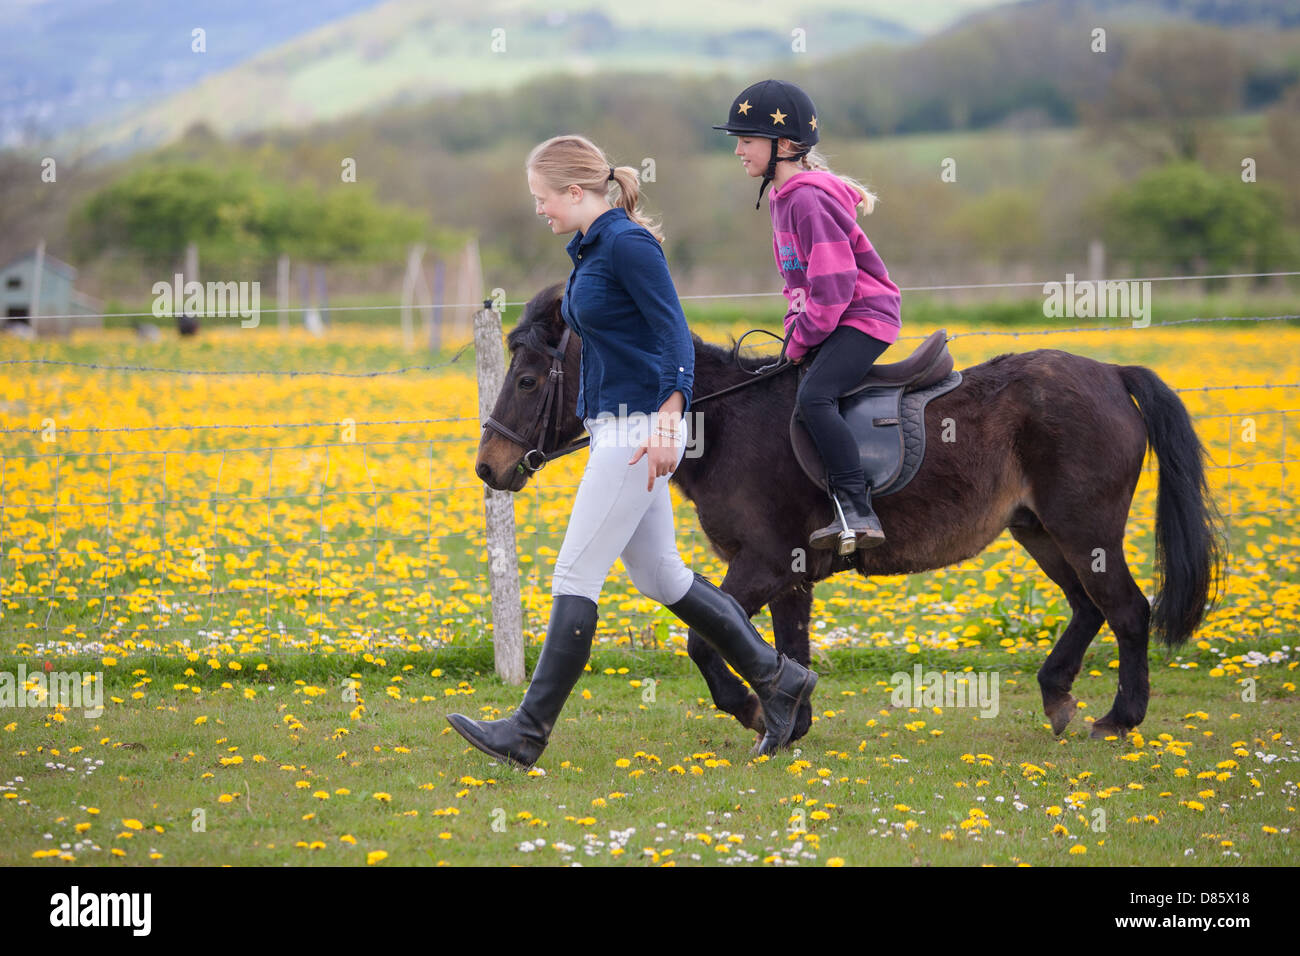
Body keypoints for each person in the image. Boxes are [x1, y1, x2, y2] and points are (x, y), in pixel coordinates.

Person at [447, 134, 818, 769]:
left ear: (573, 190)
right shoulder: (589, 252)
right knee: (662, 576)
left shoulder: (626, 244)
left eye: (542, 197)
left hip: (635, 430)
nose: (538, 209)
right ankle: (779, 678)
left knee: (573, 577)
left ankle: (528, 733)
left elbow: (673, 327)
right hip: (616, 426)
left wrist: (672, 413)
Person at [714, 79, 902, 550]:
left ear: (782, 146)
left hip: (862, 317)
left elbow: (834, 286)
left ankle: (857, 510)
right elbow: (798, 286)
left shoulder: (807, 199)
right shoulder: (782, 198)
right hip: (833, 318)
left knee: (816, 398)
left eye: (747, 140)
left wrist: (800, 342)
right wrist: (795, 333)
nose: (738, 150)